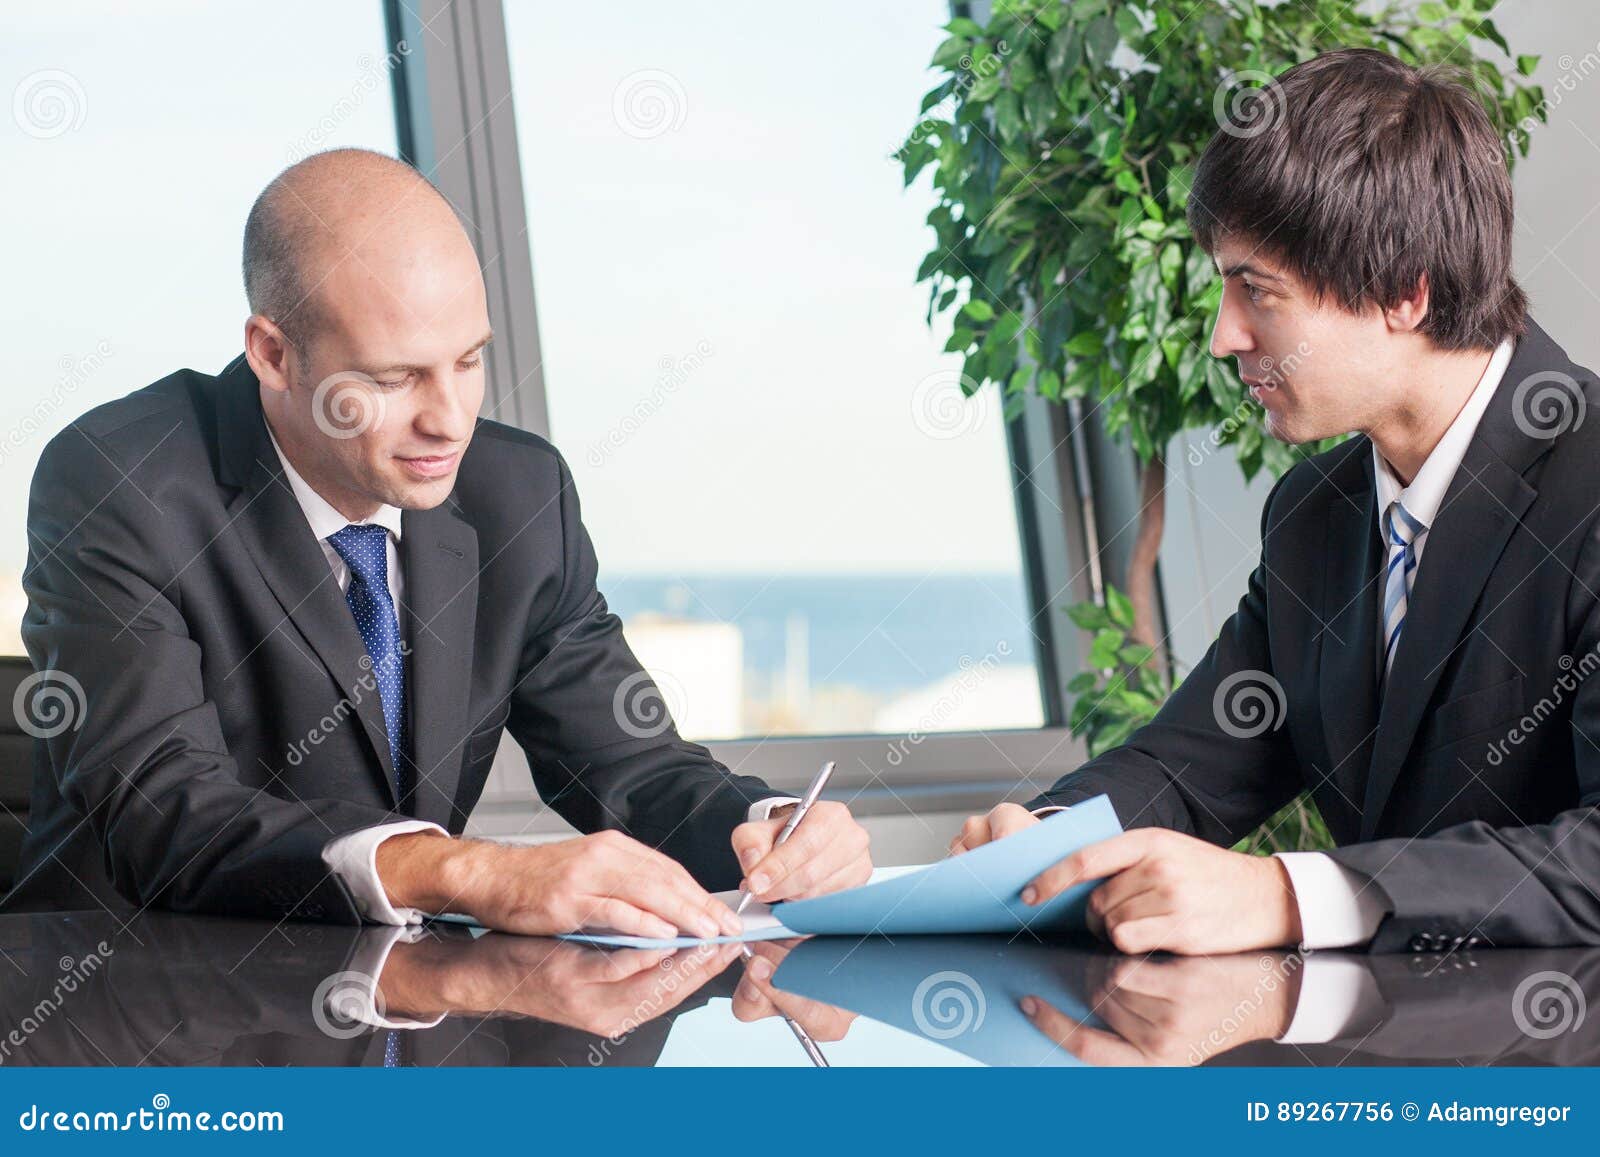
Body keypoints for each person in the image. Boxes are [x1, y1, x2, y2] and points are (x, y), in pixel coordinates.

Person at [5, 148, 871, 936]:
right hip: (149, 1025)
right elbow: (163, 812)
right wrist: (469, 869)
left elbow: (634, 767)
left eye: (468, 360)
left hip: (402, 1014)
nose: (449, 420)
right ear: (273, 353)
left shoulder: (519, 497)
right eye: (393, 377)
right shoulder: (121, 483)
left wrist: (768, 832)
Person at [954, 48, 1600, 954]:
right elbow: (1193, 763)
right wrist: (1052, 837)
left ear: (1404, 291)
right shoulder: (1315, 514)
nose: (1224, 335)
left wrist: (1292, 896)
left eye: (1256, 288)